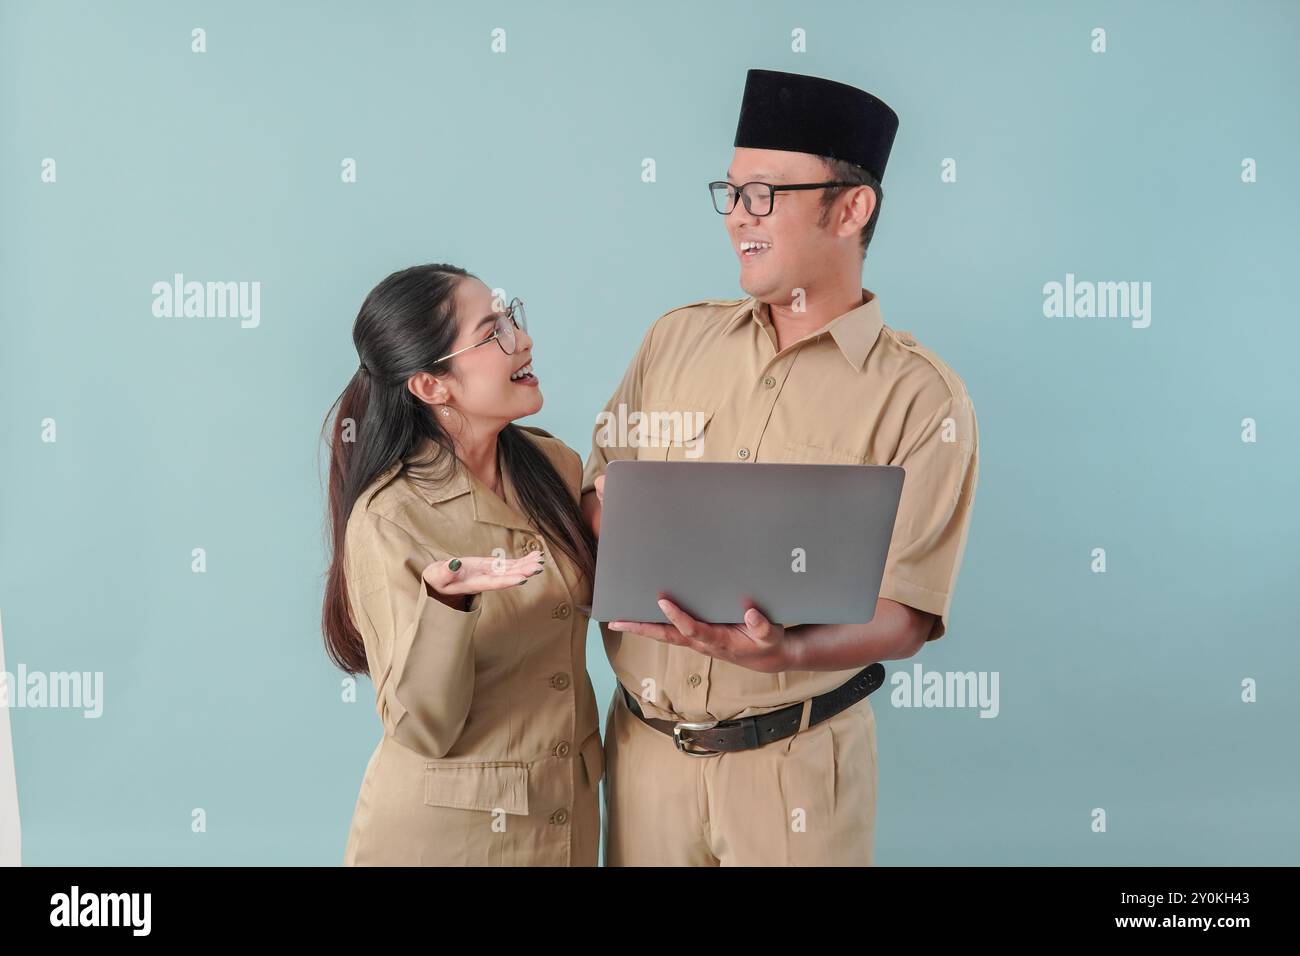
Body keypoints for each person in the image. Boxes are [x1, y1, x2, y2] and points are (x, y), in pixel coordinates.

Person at [581, 69, 980, 865]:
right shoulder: (675, 340)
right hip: (642, 757)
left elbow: (905, 614)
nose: (737, 218)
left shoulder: (921, 398)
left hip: (795, 770)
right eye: (729, 194)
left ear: (850, 208)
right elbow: (599, 495)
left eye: (763, 195)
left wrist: (784, 651)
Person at [321, 264, 602, 866]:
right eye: (492, 331)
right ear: (431, 386)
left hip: (564, 821)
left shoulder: (555, 467)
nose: (521, 340)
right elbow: (424, 729)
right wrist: (448, 604)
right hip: (448, 839)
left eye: (511, 317)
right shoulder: (390, 515)